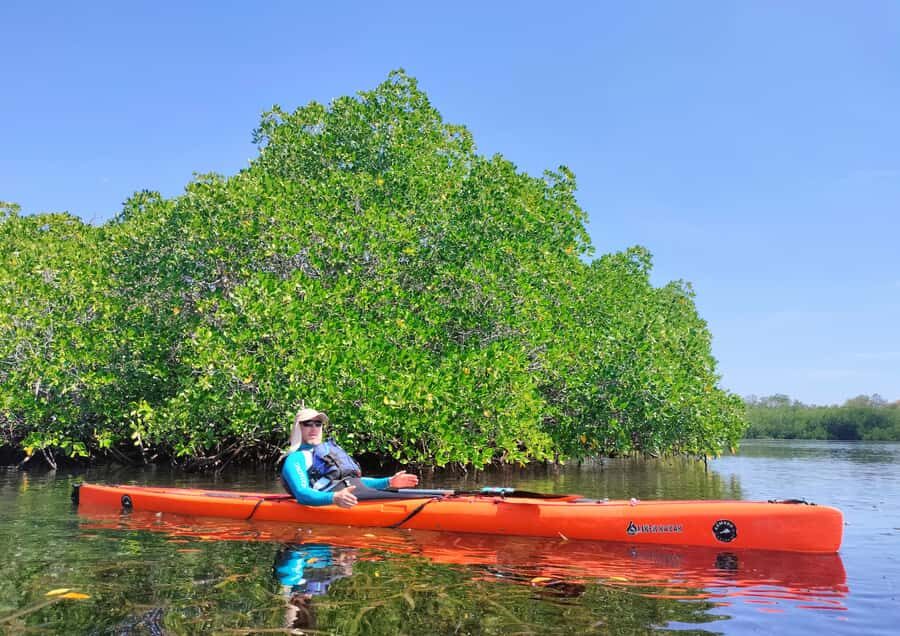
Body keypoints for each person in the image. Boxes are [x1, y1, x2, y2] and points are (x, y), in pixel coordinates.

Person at [281, 407, 419, 508]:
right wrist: (334, 497)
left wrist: (388, 482)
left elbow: (351, 483)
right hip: (334, 500)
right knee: (421, 498)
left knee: (431, 495)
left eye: (318, 424)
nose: (314, 429)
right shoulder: (295, 459)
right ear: (298, 428)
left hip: (352, 495)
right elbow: (302, 493)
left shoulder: (324, 453)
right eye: (308, 424)